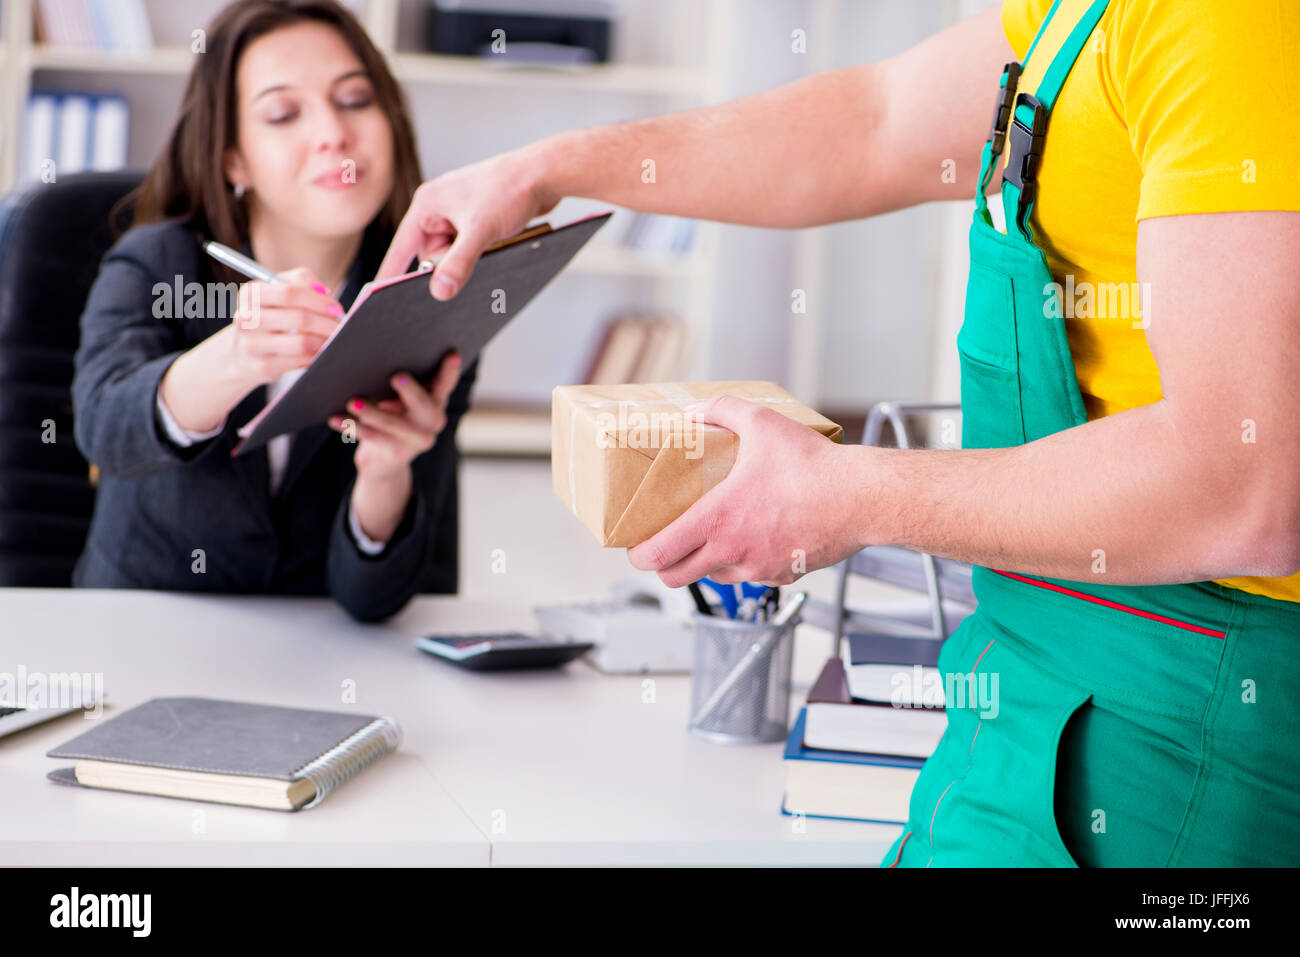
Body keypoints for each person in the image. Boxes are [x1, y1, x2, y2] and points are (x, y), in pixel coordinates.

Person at [378, 0, 1300, 865]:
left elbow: (1243, 483)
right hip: (1040, 680)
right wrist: (548, 167)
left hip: (1183, 731)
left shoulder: (1232, 23)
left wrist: (848, 493)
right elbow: (876, 124)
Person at [72, 0, 475, 623]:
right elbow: (104, 427)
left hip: (320, 662)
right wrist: (238, 355)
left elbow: (375, 599)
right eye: (283, 113)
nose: (332, 134)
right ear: (235, 160)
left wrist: (386, 477)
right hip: (145, 633)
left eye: (355, 100)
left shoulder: (431, 298)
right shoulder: (158, 261)